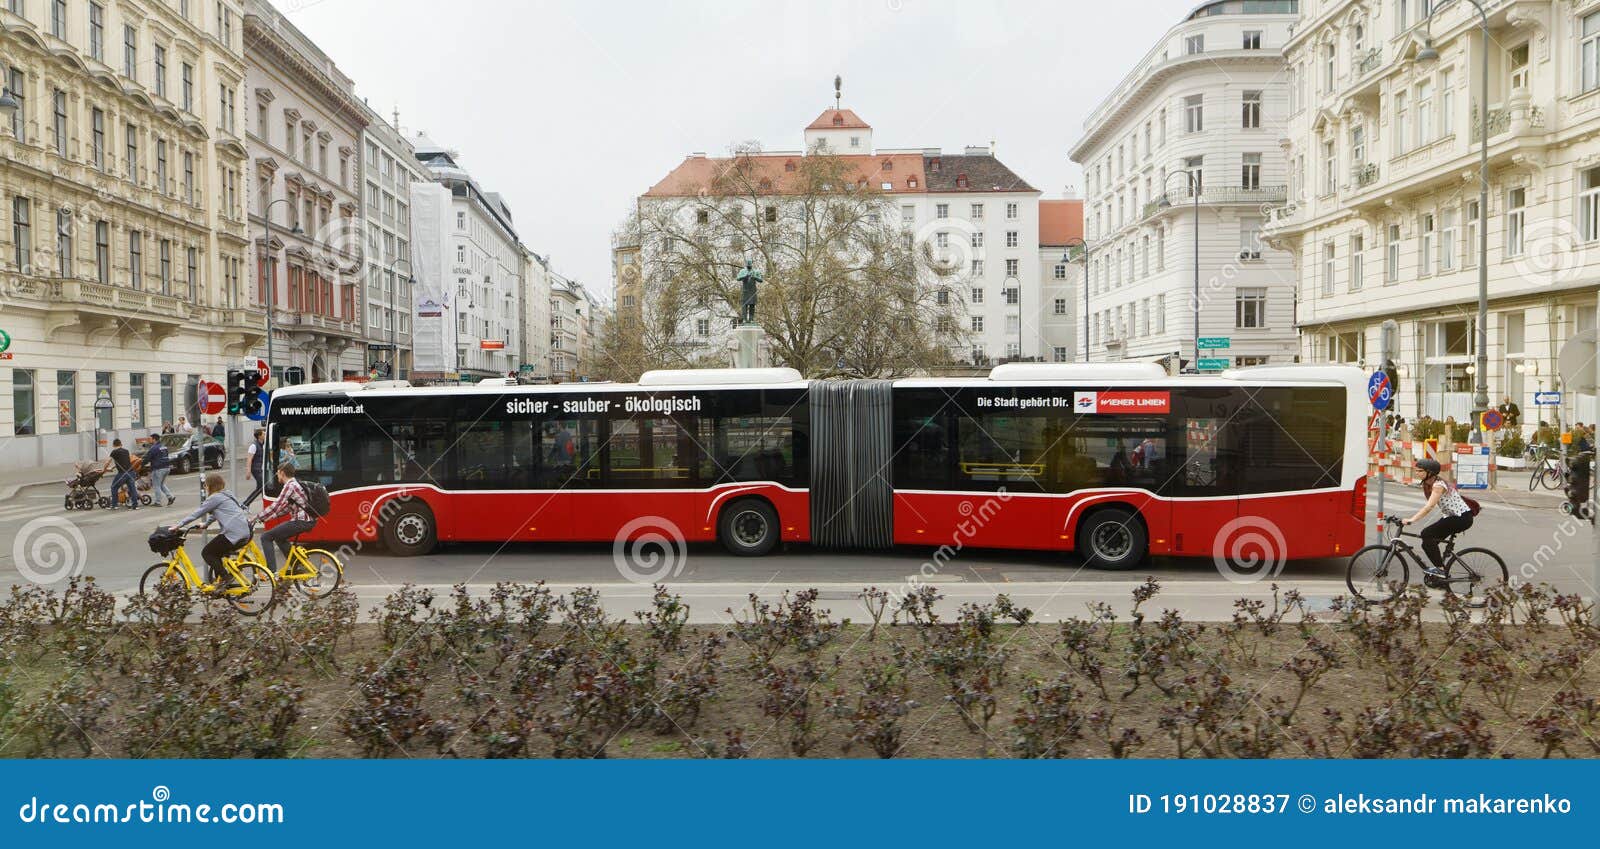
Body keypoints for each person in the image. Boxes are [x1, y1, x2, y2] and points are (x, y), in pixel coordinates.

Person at [1400, 458, 1474, 587]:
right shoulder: (1429, 483)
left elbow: (1429, 506)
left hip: (1461, 518)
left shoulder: (1438, 485)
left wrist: (1412, 519)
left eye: (1420, 471)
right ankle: (1441, 577)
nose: (1417, 473)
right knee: (1428, 542)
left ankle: (1440, 570)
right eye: (1416, 470)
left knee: (1426, 534)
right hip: (1452, 517)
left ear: (1430, 472)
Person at [170, 473, 252, 587]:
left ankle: (226, 578)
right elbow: (216, 513)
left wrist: (178, 525)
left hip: (233, 533)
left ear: (210, 486)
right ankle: (222, 584)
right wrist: (206, 524)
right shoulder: (227, 494)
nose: (205, 487)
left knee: (207, 553)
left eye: (206, 485)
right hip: (245, 532)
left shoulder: (214, 498)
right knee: (216, 554)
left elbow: (197, 513)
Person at [251, 463, 318, 577]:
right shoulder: (295, 484)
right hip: (306, 521)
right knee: (279, 537)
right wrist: (267, 518)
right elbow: (285, 509)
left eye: (277, 473)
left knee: (266, 537)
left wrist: (256, 517)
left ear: (282, 473)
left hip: (301, 521)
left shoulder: (289, 486)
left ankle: (270, 572)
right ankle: (297, 566)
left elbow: (276, 506)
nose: (277, 476)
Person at [142, 432, 175, 506]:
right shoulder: (164, 446)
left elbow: (147, 458)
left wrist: (141, 464)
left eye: (151, 439)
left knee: (156, 485)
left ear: (154, 439)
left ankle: (158, 502)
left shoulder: (154, 448)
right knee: (161, 484)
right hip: (166, 467)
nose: (150, 440)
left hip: (158, 468)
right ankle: (170, 497)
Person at [105, 438, 138, 510]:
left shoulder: (114, 452)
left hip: (122, 473)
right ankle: (135, 506)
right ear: (121, 444)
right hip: (131, 472)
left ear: (113, 445)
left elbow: (108, 462)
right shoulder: (126, 451)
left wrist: (104, 469)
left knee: (114, 487)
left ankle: (114, 505)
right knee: (132, 488)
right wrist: (112, 468)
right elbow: (123, 462)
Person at [245, 428, 266, 505]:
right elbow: (249, 459)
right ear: (259, 436)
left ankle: (246, 504)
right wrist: (248, 471)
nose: (265, 435)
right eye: (264, 434)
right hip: (256, 469)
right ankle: (245, 504)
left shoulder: (263, 444)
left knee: (263, 487)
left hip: (261, 469)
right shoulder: (253, 446)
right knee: (262, 486)